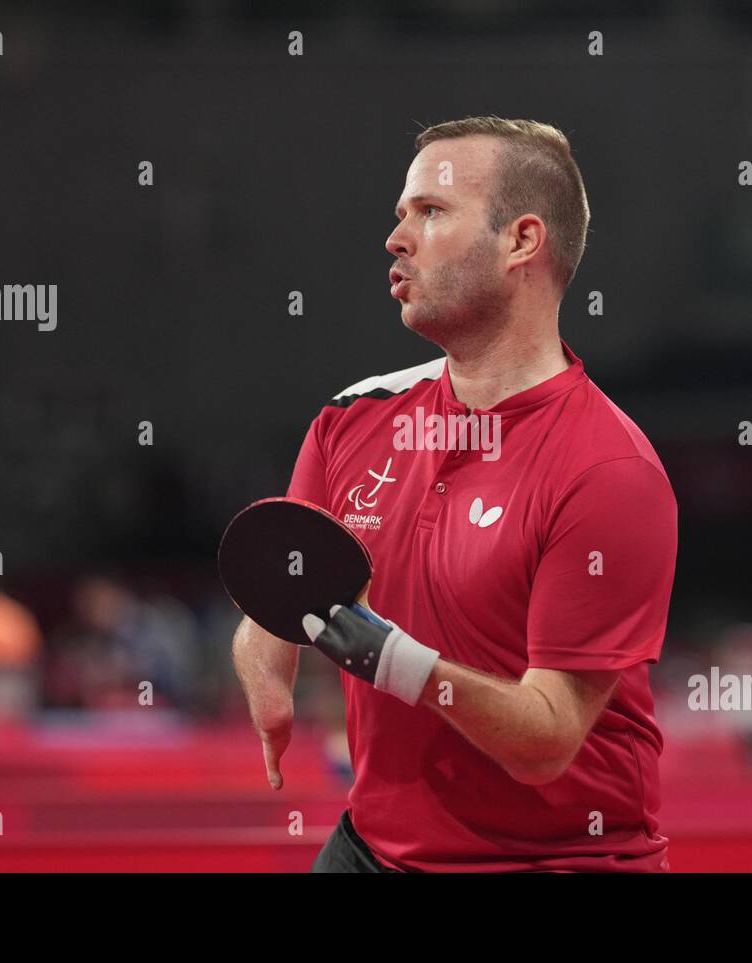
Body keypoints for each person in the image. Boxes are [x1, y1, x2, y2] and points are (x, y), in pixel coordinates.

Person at [231, 116, 678, 872]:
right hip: (374, 852)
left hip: (558, 860)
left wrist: (397, 663)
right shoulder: (352, 420)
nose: (396, 239)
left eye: (430, 212)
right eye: (400, 215)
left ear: (521, 242)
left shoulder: (609, 469)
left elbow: (547, 740)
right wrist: (267, 670)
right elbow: (277, 597)